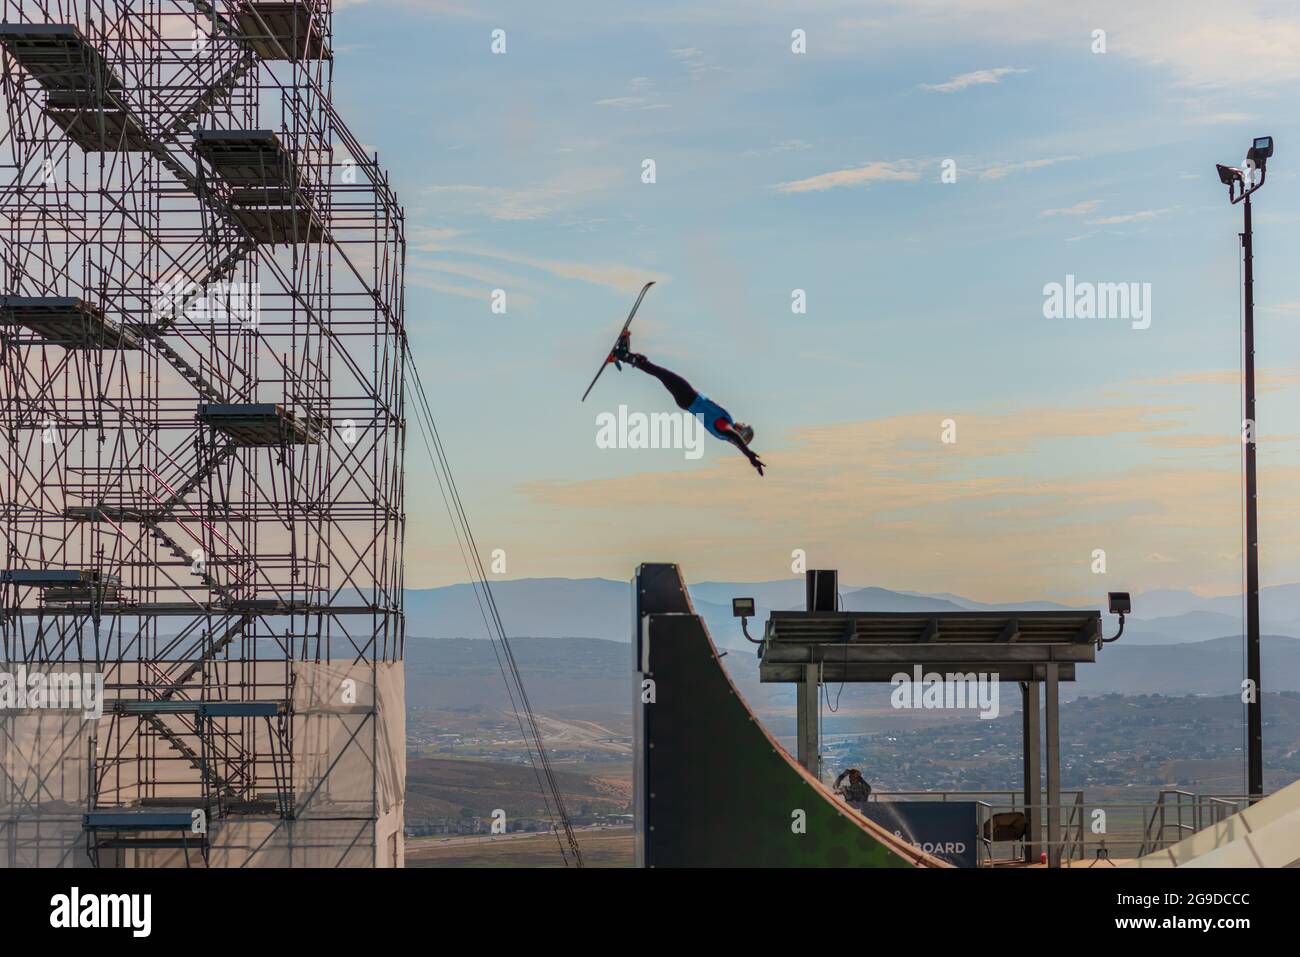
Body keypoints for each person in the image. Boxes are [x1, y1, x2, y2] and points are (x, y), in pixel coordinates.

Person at [612, 332, 765, 476]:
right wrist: (747, 453)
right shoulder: (725, 433)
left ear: (741, 431)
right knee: (659, 373)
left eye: (744, 426)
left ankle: (622, 354)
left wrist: (748, 453)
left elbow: (733, 435)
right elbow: (734, 438)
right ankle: (625, 354)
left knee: (660, 372)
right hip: (688, 400)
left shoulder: (725, 426)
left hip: (689, 397)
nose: (742, 424)